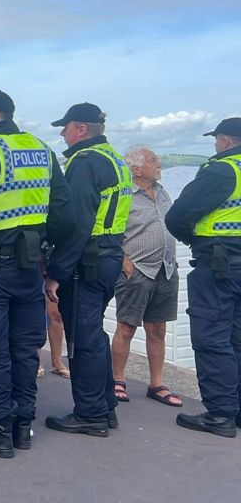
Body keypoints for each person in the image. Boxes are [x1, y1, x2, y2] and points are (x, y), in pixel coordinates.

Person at [0, 90, 71, 458]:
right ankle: (22, 424)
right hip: (30, 264)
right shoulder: (41, 148)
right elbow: (64, 213)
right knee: (24, 347)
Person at [44, 103, 131, 437]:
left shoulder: (84, 163)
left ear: (80, 128)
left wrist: (57, 272)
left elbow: (76, 223)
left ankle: (91, 414)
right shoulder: (114, 159)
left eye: (65, 128)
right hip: (107, 256)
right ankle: (104, 407)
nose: (63, 134)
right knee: (94, 334)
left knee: (82, 340)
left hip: (86, 261)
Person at [165, 117, 241, 438]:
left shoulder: (223, 170)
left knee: (211, 336)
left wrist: (195, 240)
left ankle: (221, 413)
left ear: (224, 141)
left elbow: (178, 215)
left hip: (218, 264)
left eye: (216, 141)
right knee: (237, 337)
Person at [111, 145, 181, 406]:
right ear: (136, 168)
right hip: (137, 269)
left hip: (165, 268)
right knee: (126, 327)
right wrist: (123, 260)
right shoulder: (125, 194)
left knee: (158, 328)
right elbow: (111, 229)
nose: (159, 164)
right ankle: (118, 379)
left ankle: (157, 384)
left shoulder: (162, 192)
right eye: (153, 160)